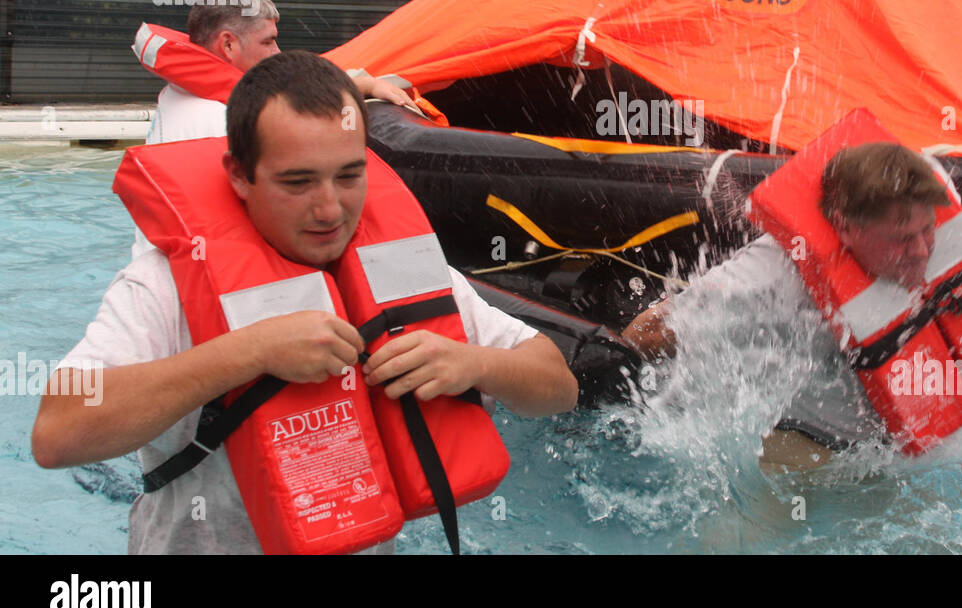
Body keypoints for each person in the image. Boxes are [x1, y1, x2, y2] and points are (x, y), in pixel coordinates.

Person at [32, 51, 578, 553]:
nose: (330, 210)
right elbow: (57, 434)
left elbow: (558, 389)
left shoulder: (402, 269)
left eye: (349, 176)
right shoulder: (164, 287)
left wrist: (474, 364)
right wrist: (250, 352)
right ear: (239, 176)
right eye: (298, 182)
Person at [620, 141, 962, 468]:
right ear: (845, 228)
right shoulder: (767, 282)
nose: (922, 251)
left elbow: (935, 201)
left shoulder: (929, 197)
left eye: (928, 230)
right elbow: (641, 334)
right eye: (902, 239)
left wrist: (958, 227)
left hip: (900, 449)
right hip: (807, 449)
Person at [144, 0, 416, 146]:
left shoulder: (175, 94)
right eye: (267, 41)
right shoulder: (228, 121)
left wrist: (365, 85)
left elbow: (292, 92)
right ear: (228, 44)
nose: (277, 52)